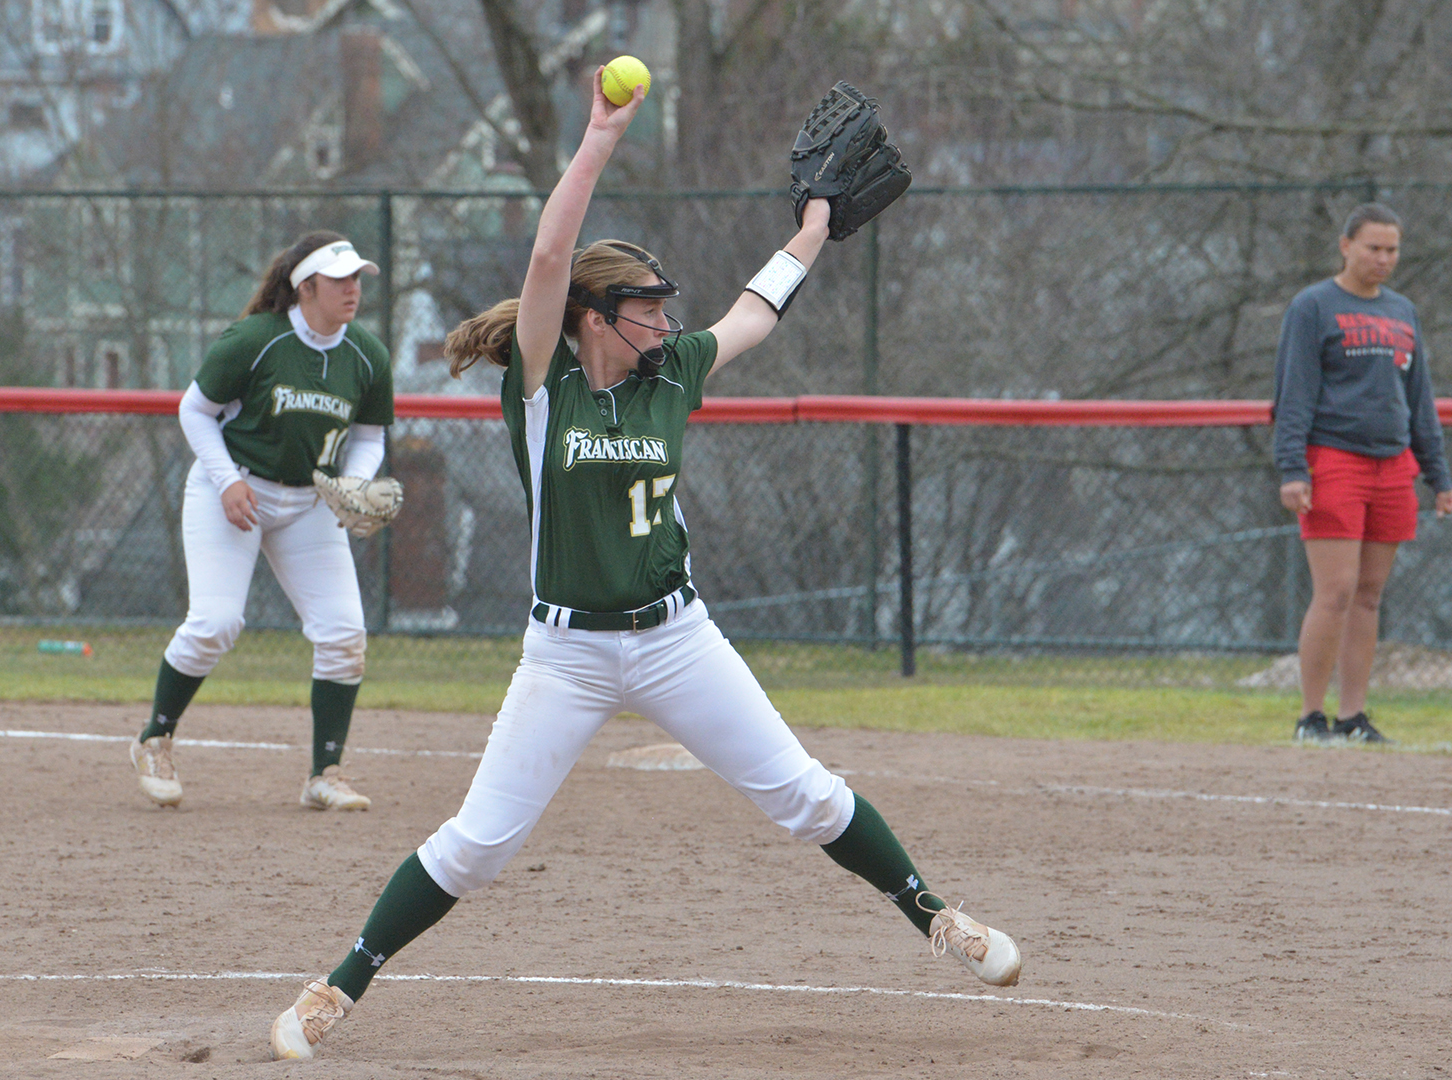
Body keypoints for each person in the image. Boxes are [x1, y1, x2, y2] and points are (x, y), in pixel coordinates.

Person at [268, 71, 1021, 1062]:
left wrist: (812, 230)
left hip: (676, 639)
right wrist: (598, 137)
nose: (666, 323)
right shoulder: (545, 388)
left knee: (806, 795)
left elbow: (755, 312)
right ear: (595, 317)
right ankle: (338, 985)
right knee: (478, 846)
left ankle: (938, 919)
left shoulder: (672, 377)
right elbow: (550, 255)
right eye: (647, 309)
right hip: (567, 655)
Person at [128, 231, 395, 810]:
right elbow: (194, 411)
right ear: (306, 287)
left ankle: (325, 774)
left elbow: (370, 436)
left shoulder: (367, 354)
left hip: (310, 503)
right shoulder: (255, 339)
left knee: (344, 635)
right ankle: (155, 739)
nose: (353, 289)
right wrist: (226, 480)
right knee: (216, 622)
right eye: (340, 279)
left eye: (357, 278)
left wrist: (353, 484)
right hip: (234, 490)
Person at [1273, 203, 1452, 745]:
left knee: (1369, 596)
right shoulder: (1313, 306)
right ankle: (1311, 716)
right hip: (1334, 459)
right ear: (1346, 246)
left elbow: (1419, 399)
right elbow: (1293, 393)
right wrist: (1293, 468)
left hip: (1393, 465)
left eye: (1392, 249)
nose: (1383, 258)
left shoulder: (1403, 311)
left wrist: (1439, 476)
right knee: (1335, 591)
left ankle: (1353, 717)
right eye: (1373, 247)